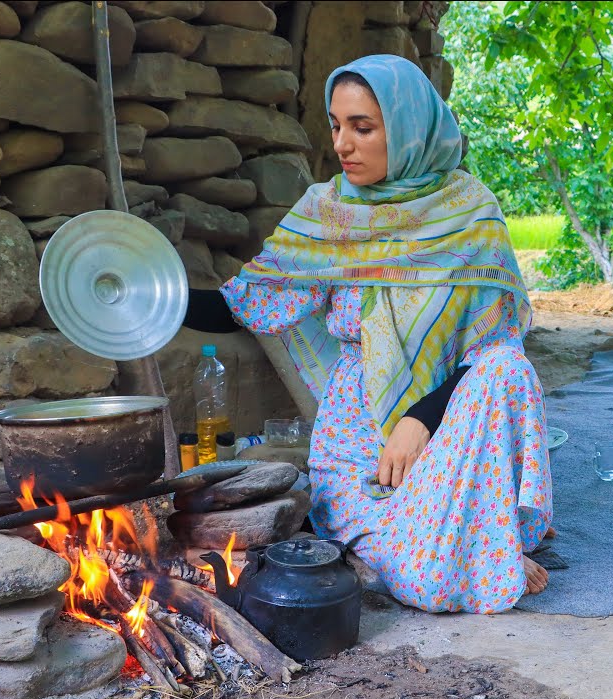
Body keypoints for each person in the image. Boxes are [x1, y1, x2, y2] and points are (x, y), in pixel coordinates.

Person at [211, 54, 552, 614]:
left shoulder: (470, 214)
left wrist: (421, 419)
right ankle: (480, 545)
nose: (343, 144)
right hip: (358, 446)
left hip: (447, 431)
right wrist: (150, 298)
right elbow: (250, 298)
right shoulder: (328, 211)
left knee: (507, 369)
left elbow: (492, 349)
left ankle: (479, 540)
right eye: (337, 125)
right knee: (423, 579)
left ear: (411, 129)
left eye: (363, 128)